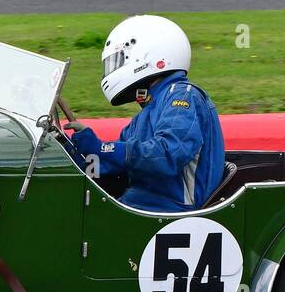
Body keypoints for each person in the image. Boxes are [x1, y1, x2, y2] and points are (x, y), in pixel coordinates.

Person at [68, 15, 226, 213]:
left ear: (149, 55)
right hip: (142, 202)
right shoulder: (147, 113)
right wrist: (73, 153)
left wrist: (104, 148)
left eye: (117, 61)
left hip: (169, 208)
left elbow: (167, 155)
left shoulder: (182, 96)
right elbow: (117, 167)